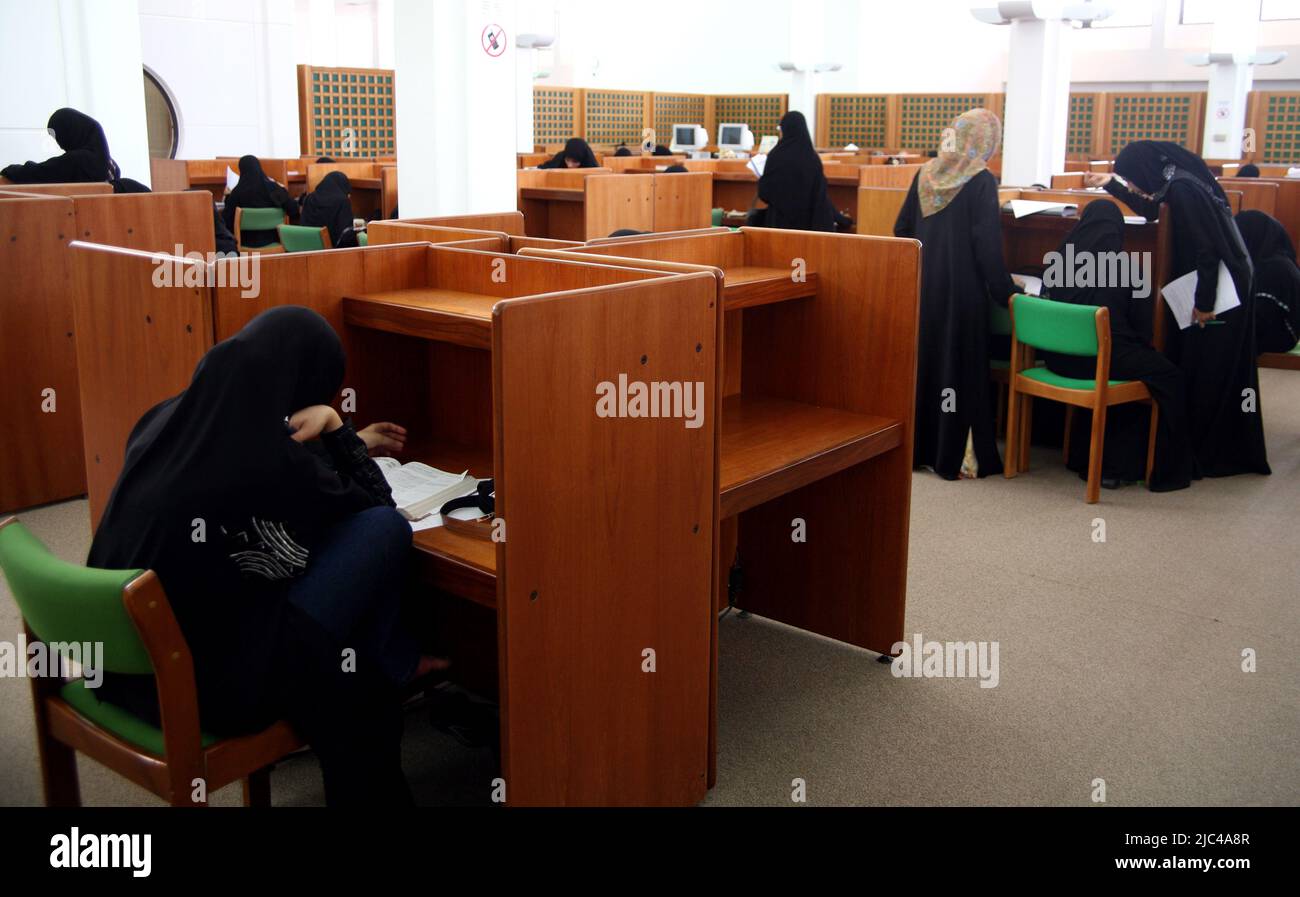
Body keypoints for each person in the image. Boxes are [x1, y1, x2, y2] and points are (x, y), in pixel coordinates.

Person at [87, 307, 446, 805]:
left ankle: (383, 662)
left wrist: (324, 443)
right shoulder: (273, 461)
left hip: (115, 662)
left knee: (346, 659)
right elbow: (381, 507)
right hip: (200, 690)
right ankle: (388, 662)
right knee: (380, 539)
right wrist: (337, 428)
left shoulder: (166, 417)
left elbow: (257, 468)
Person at [1086, 141, 1270, 478]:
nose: (1131, 186)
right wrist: (1109, 185)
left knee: (1211, 372)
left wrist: (1203, 304)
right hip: (1212, 285)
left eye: (1129, 179)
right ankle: (1203, 448)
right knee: (1201, 369)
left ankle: (1213, 454)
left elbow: (1207, 250)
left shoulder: (1183, 189)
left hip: (1219, 294)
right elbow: (1155, 213)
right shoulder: (1176, 181)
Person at [895, 107, 1016, 480]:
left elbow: (901, 232)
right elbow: (986, 247)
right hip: (962, 293)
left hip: (924, 288)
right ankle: (958, 456)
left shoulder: (925, 174)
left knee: (929, 363)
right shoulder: (980, 180)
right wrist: (1007, 294)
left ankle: (922, 449)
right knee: (957, 367)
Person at [1041, 200, 1193, 492]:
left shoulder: (1056, 261)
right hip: (1107, 358)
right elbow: (1143, 332)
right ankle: (1164, 471)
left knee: (1126, 370)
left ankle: (1082, 459)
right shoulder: (1128, 268)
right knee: (1169, 377)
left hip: (1059, 360)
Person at [752, 110, 838, 232]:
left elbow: (764, 193)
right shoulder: (812, 158)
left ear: (785, 129)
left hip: (779, 226)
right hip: (808, 227)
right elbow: (820, 195)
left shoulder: (776, 156)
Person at [1236, 210, 1300, 355]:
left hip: (1279, 338)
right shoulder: (1279, 260)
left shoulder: (1272, 268)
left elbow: (1262, 318)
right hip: (1284, 334)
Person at [2, 108, 120, 185]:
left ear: (70, 132)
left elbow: (38, 173)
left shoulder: (78, 161)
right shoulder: (112, 165)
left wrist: (9, 170)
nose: (59, 143)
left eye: (58, 135)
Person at [222, 155, 299, 248]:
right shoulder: (274, 188)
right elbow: (294, 210)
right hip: (274, 242)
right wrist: (283, 190)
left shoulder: (236, 193)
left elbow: (227, 221)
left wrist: (227, 197)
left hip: (245, 244)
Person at [300, 171, 358, 248]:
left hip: (306, 248)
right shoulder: (342, 201)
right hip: (332, 252)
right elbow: (345, 234)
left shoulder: (309, 198)